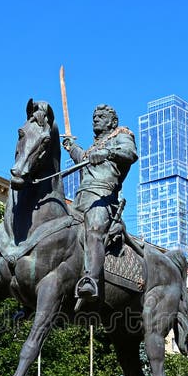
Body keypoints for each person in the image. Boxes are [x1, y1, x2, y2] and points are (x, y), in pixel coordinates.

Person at [63, 104, 137, 300]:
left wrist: (108, 153)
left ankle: (91, 280)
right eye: (94, 116)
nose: (95, 119)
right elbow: (82, 157)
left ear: (112, 122)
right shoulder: (93, 148)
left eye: (101, 116)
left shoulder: (122, 135)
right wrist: (71, 146)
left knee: (94, 230)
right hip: (79, 199)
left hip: (102, 198)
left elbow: (130, 154)